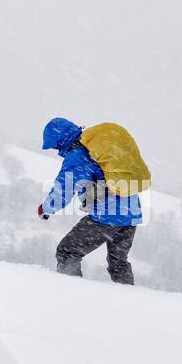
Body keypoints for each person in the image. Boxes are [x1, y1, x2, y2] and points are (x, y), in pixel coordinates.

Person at [37, 117, 142, 284]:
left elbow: (64, 188)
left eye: (56, 146)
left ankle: (71, 291)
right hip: (131, 213)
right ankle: (130, 298)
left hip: (108, 215)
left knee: (67, 251)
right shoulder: (98, 148)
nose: (57, 151)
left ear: (61, 140)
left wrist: (46, 208)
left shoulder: (78, 156)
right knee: (118, 262)